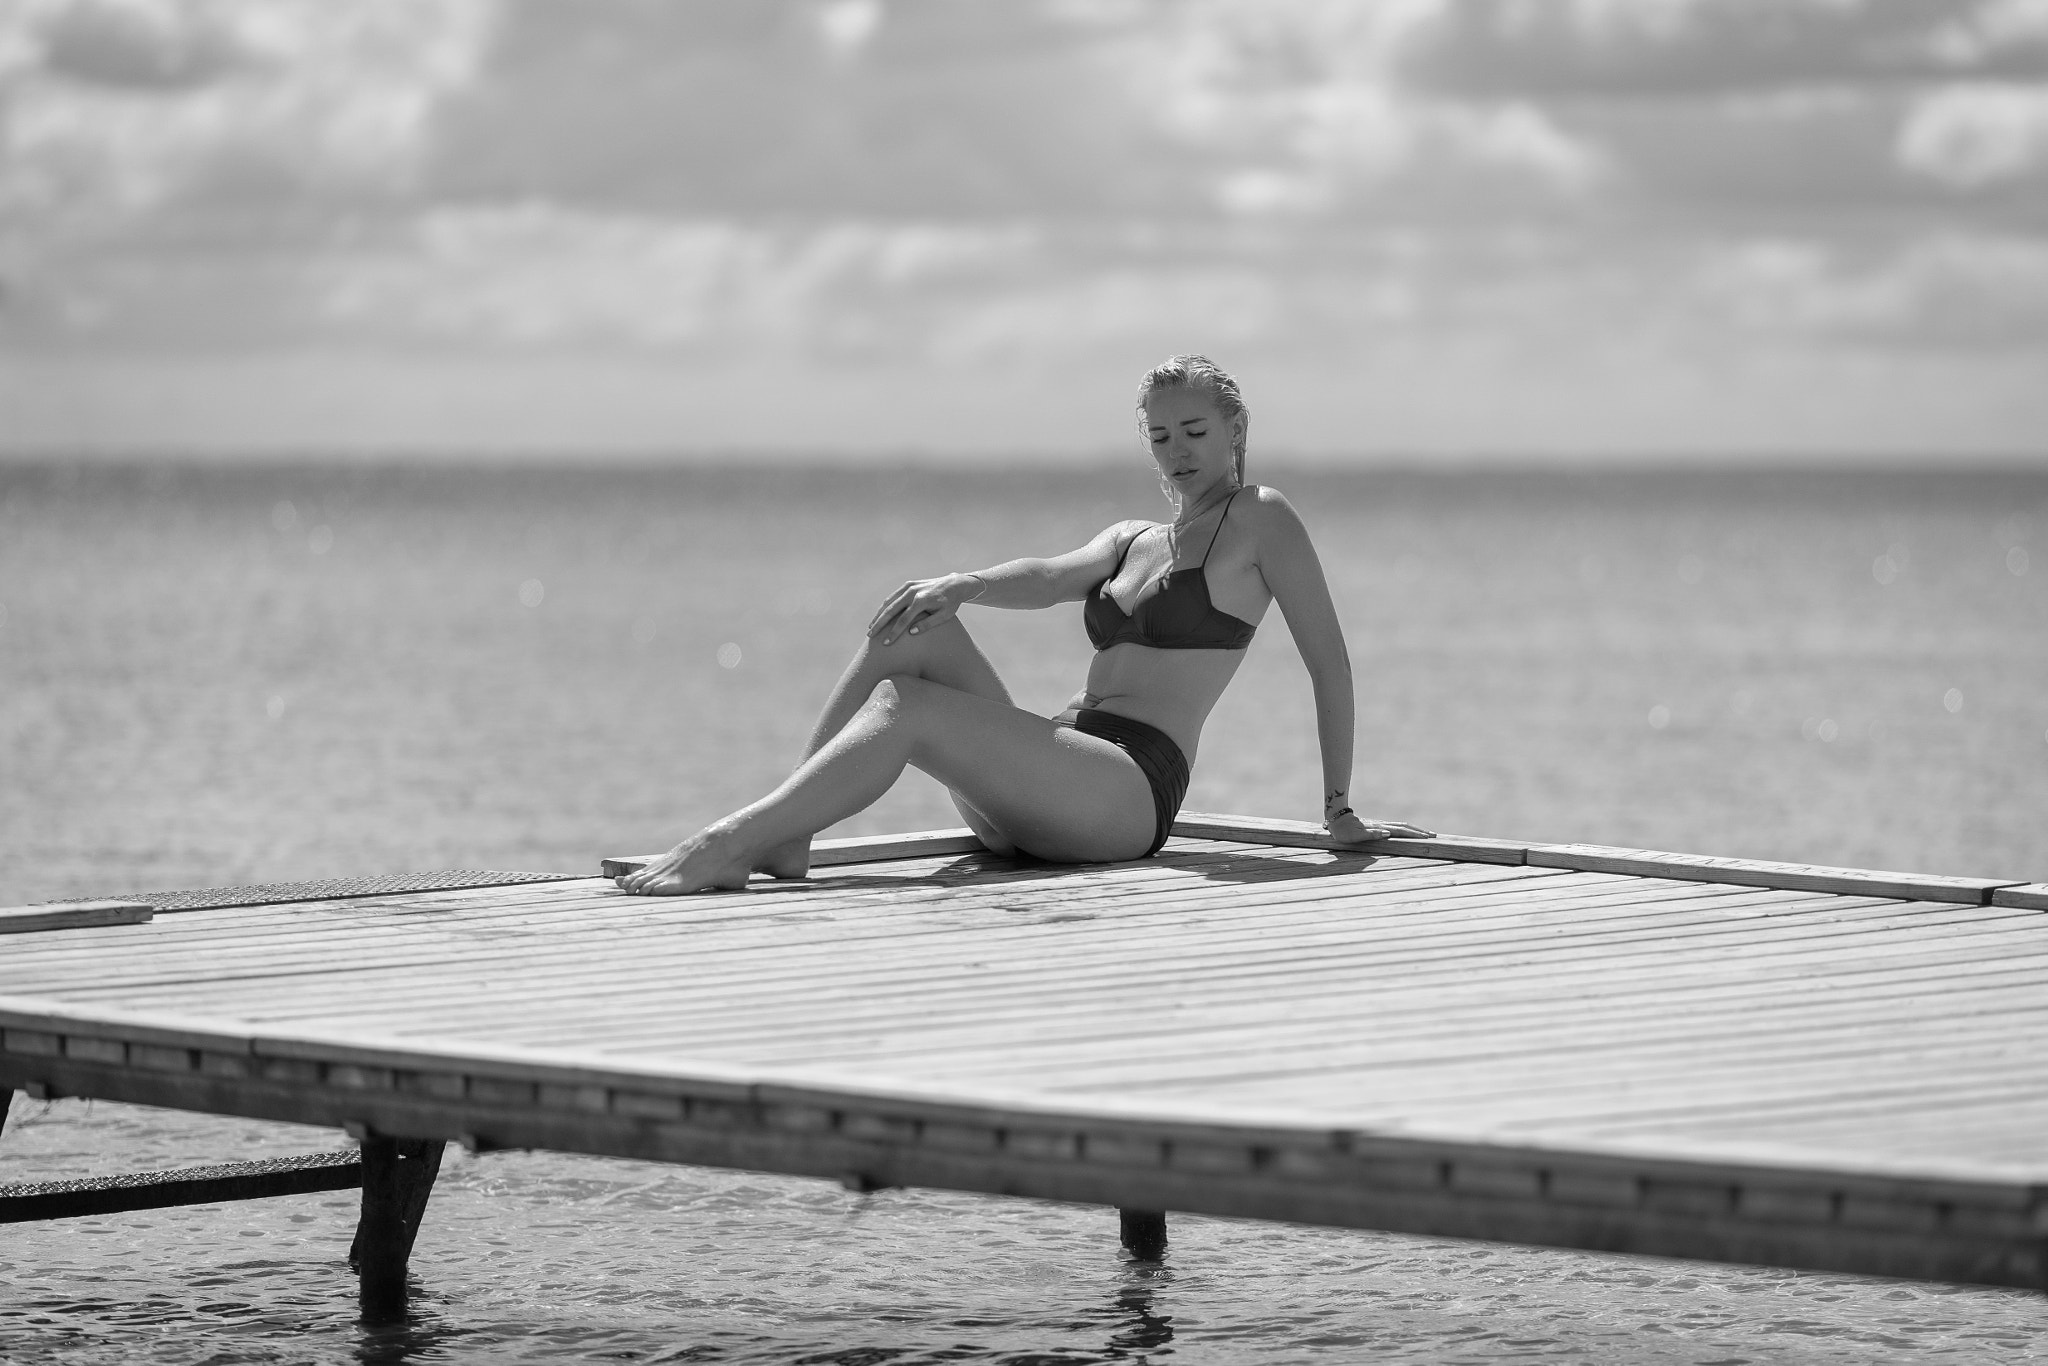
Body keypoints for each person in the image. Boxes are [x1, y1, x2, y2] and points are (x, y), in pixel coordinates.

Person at [617, 354, 1430, 895]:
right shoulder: (1133, 539)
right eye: (1160, 436)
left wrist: (1338, 810)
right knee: (914, 622)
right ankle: (785, 838)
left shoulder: (1260, 519)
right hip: (1055, 780)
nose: (1178, 451)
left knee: (909, 707)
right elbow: (1047, 577)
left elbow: (1329, 663)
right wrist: (963, 585)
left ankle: (733, 840)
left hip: (1127, 794)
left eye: (1195, 432)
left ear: (1235, 432)